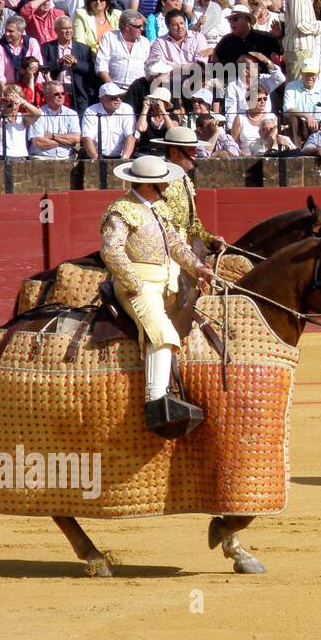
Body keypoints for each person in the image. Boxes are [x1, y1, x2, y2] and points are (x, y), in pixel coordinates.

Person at [99, 154, 215, 439]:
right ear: (151, 184)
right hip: (137, 286)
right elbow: (111, 250)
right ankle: (156, 403)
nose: (167, 183)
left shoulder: (158, 208)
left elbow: (175, 245)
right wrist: (133, 283)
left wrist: (197, 266)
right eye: (162, 180)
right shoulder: (121, 210)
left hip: (165, 283)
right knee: (162, 332)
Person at [152, 125, 226, 251]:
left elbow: (192, 224)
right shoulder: (158, 179)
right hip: (162, 251)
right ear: (174, 152)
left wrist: (209, 239)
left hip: (182, 250)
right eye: (191, 150)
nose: (196, 154)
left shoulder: (184, 178)